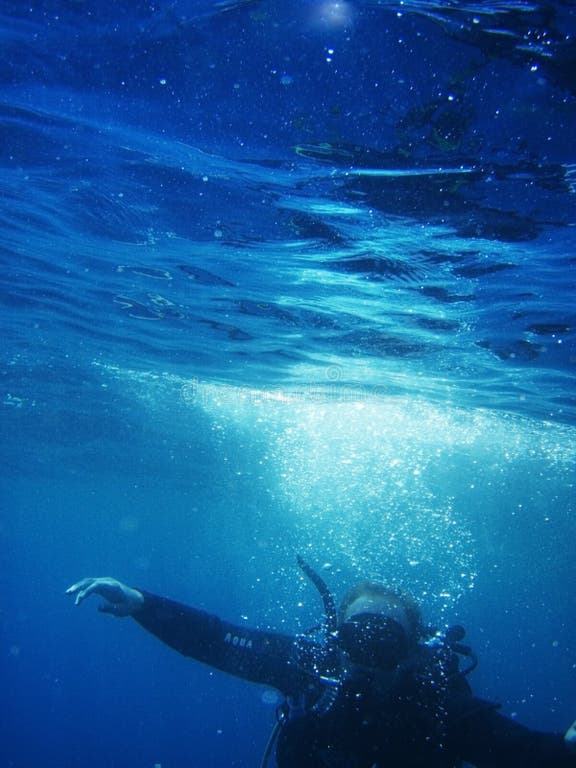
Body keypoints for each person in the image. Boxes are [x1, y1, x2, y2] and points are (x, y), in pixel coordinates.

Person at [66, 561, 576, 768]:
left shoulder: (439, 709)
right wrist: (143, 603)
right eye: (358, 639)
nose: (367, 658)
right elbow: (218, 640)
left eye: (384, 643)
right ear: (337, 641)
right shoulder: (311, 670)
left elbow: (529, 753)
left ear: (412, 652)